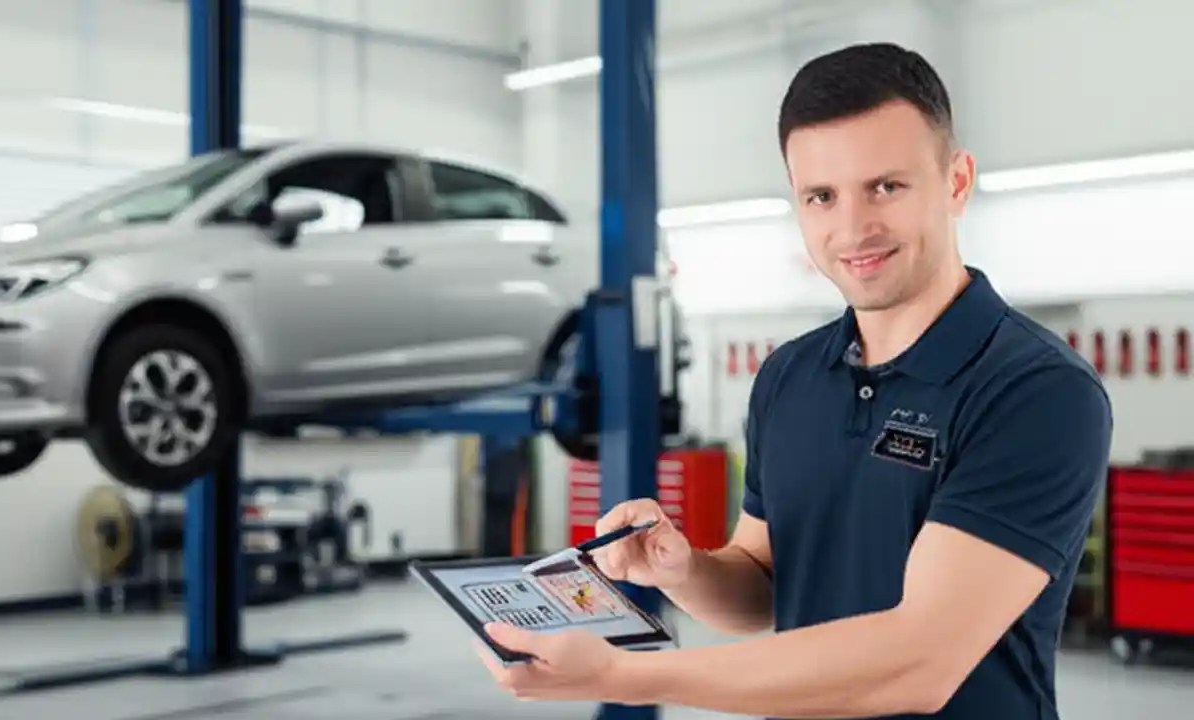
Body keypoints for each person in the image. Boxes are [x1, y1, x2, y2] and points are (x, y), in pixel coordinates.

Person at [475, 42, 1113, 719]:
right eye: (821, 196)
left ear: (956, 182)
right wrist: (684, 568)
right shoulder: (790, 375)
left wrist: (628, 677)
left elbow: (919, 661)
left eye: (886, 187)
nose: (852, 227)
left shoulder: (1036, 391)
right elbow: (761, 589)